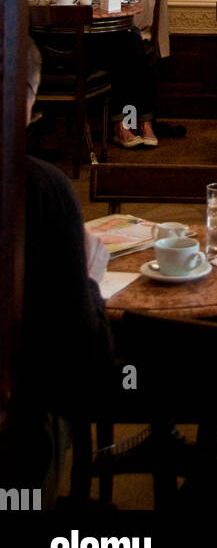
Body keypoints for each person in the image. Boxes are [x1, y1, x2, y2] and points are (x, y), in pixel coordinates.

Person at [3, 43, 116, 502]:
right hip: (14, 448)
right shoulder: (42, 190)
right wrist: (87, 276)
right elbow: (84, 375)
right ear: (28, 98)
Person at [49, 0, 158, 149]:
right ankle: (128, 124)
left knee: (131, 47)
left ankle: (139, 122)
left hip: (107, 31)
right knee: (130, 50)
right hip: (75, 34)